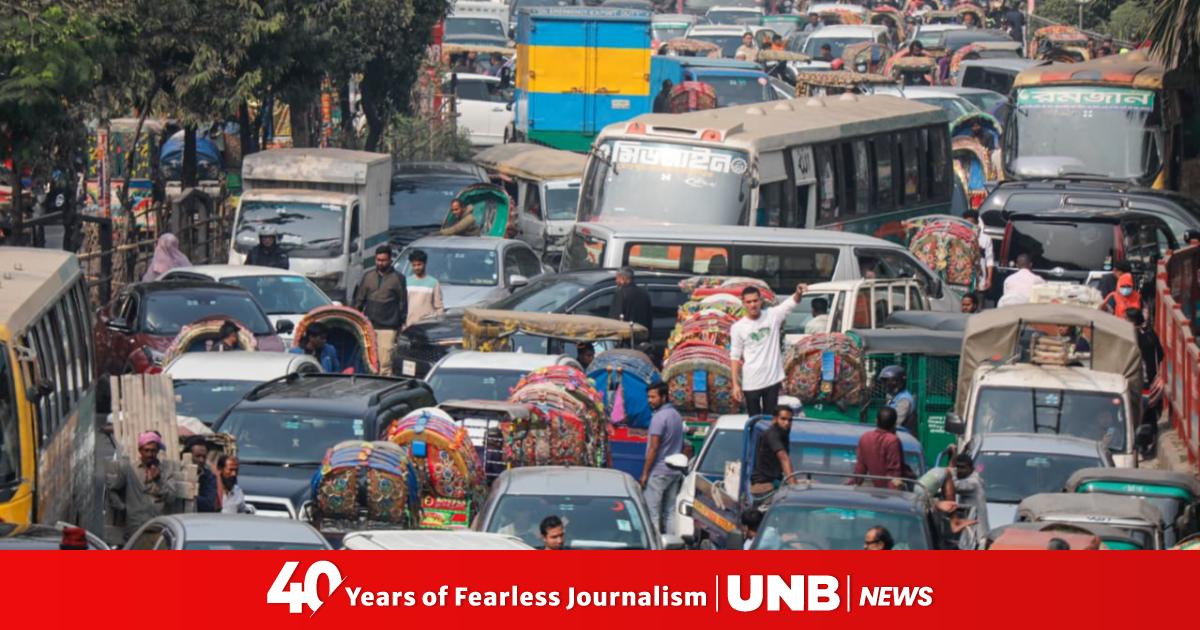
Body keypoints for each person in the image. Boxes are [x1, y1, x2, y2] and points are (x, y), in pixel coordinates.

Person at [731, 283, 806, 416]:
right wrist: (736, 384)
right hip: (751, 382)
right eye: (749, 302)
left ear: (760, 301)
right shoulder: (738, 327)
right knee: (755, 422)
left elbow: (792, 302)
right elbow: (735, 357)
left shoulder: (772, 316)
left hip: (772, 380)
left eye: (755, 301)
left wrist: (799, 292)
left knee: (770, 421)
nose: (753, 305)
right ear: (743, 303)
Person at [106, 431, 180, 541]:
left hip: (158, 527)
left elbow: (171, 497)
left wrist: (158, 480)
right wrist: (122, 508)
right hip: (135, 528)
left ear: (158, 451)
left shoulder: (166, 470)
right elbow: (112, 490)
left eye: (153, 451)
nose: (150, 454)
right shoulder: (129, 469)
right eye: (147, 450)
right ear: (140, 450)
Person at [354, 245, 408, 376]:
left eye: (383, 260)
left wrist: (401, 324)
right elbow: (359, 301)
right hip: (369, 326)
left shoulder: (398, 278)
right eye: (378, 260)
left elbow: (402, 303)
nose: (380, 263)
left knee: (385, 364)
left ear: (390, 260)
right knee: (368, 362)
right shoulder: (368, 276)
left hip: (388, 328)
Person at [641, 382, 685, 534]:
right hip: (674, 472)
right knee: (669, 512)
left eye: (653, 397)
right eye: (648, 397)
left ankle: (654, 547)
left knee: (651, 513)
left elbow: (653, 448)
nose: (649, 400)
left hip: (659, 471)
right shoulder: (676, 416)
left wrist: (645, 474)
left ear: (664, 397)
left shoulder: (659, 417)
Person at [851, 407, 914, 489]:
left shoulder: (865, 437)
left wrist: (852, 486)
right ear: (894, 424)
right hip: (891, 494)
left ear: (876, 421)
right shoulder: (892, 440)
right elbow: (894, 473)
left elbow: (860, 469)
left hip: (880, 492)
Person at [1128, 309, 1164, 453]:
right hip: (1151, 379)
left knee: (1139, 414)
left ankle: (1142, 445)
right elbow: (1160, 354)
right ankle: (1149, 442)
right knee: (1150, 413)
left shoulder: (1134, 336)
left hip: (1140, 381)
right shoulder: (1150, 333)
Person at [750, 405, 796, 493]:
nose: (787, 423)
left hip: (777, 481)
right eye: (783, 419)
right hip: (763, 484)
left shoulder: (783, 435)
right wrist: (793, 486)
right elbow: (784, 458)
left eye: (790, 420)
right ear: (775, 419)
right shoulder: (772, 434)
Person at [609, 266, 653, 336]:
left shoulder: (621, 293)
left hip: (626, 337)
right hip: (641, 336)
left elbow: (615, 318)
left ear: (622, 279)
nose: (616, 281)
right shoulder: (644, 294)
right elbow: (649, 318)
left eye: (617, 278)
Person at [404, 249, 444, 328]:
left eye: (419, 264)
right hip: (409, 325)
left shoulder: (434, 283)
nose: (416, 268)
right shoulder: (406, 282)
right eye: (414, 265)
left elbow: (439, 307)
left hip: (427, 326)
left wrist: (436, 323)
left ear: (425, 264)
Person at [879, 365, 917, 437]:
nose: (884, 384)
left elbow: (895, 422)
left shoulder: (904, 399)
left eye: (887, 381)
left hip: (903, 438)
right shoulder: (895, 397)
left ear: (897, 382)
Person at [962, 209, 994, 293]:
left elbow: (989, 260)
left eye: (971, 223)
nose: (969, 226)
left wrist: (989, 279)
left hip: (980, 280)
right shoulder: (960, 237)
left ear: (976, 223)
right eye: (967, 223)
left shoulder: (986, 238)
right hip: (963, 280)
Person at [184, 436, 218, 513]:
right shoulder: (178, 473)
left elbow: (209, 504)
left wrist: (191, 495)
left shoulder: (209, 477)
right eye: (197, 456)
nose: (201, 460)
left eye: (204, 456)